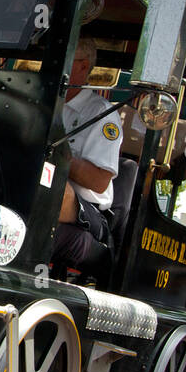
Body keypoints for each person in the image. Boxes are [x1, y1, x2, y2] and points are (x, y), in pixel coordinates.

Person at [51, 38, 122, 276]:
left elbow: (99, 181)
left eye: (62, 57)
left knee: (51, 181)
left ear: (82, 67)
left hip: (89, 213)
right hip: (40, 190)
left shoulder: (102, 114)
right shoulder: (46, 102)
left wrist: (56, 154)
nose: (52, 63)